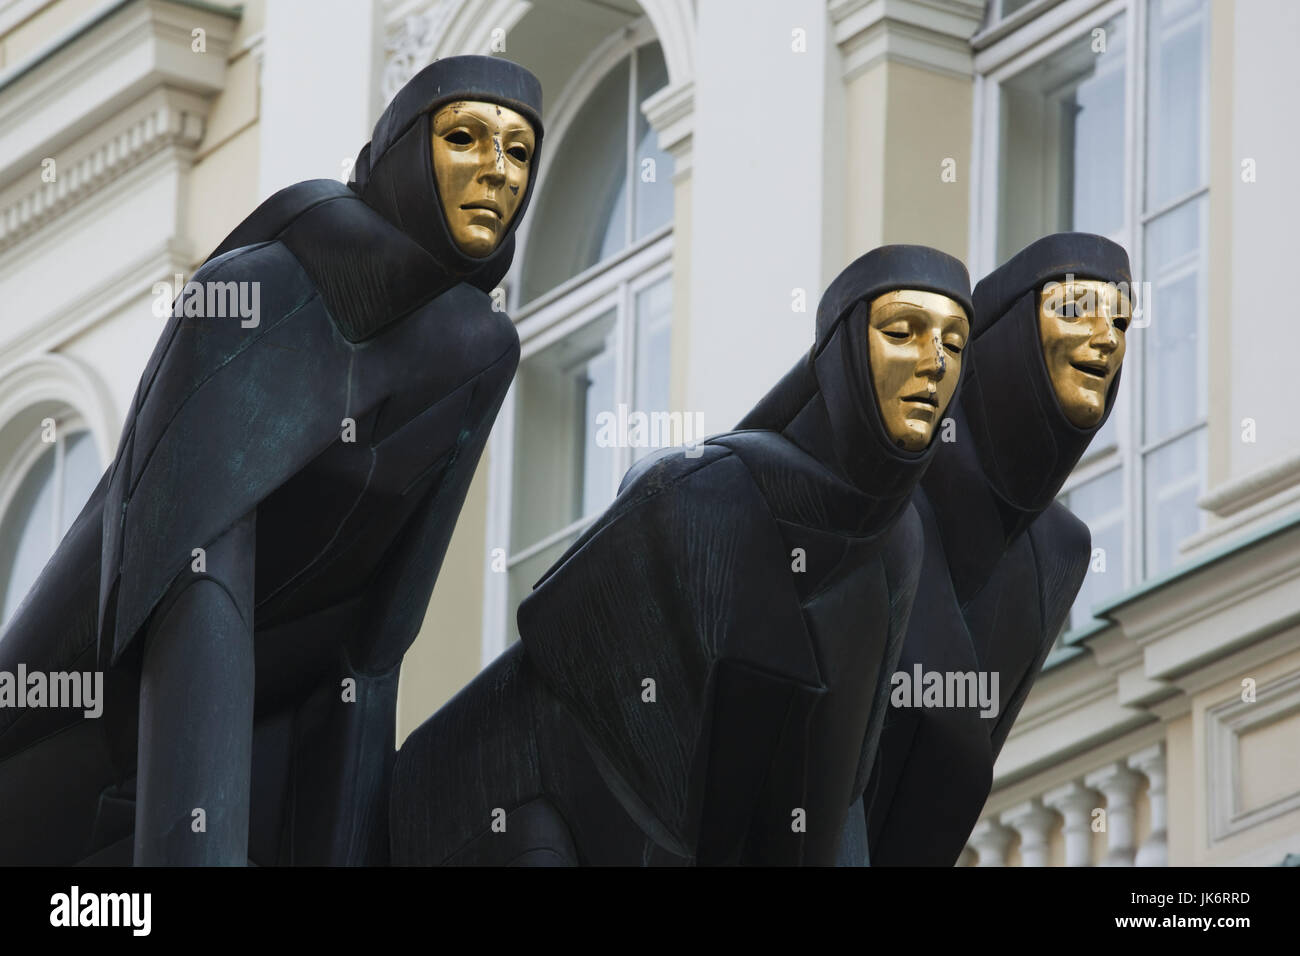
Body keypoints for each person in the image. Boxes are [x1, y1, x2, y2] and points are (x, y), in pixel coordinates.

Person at [0, 55, 544, 866]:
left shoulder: (479, 352)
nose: (496, 173)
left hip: (260, 759)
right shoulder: (253, 297)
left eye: (520, 153)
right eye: (464, 138)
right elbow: (194, 589)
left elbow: (374, 650)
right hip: (74, 772)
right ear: (402, 155)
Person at [390, 245, 972, 865]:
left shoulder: (898, 543)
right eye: (902, 331)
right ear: (844, 354)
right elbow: (579, 700)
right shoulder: (705, 491)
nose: (934, 362)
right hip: (509, 819)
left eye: (956, 344)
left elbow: (840, 788)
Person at [863, 233, 1131, 866]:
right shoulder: (884, 500)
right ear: (1009, 331)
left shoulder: (1060, 550)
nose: (1108, 337)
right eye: (1075, 310)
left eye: (1120, 320)